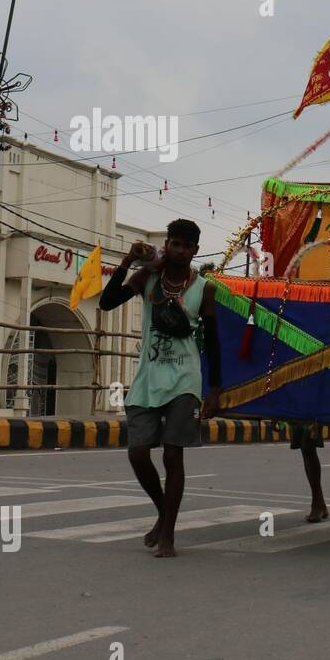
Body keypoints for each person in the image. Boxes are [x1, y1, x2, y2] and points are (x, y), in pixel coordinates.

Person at [99, 219, 221, 558]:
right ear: (167, 245)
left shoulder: (204, 288)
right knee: (138, 453)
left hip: (185, 379)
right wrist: (126, 263)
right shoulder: (148, 277)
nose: (180, 251)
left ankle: (167, 535)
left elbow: (212, 342)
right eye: (175, 245)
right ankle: (163, 513)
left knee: (172, 454)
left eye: (187, 246)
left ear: (196, 250)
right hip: (149, 379)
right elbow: (107, 303)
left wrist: (215, 390)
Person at [289, 420, 329, 522]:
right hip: (298, 410)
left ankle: (317, 504)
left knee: (308, 447)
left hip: (312, 411)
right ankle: (320, 503)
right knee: (304, 448)